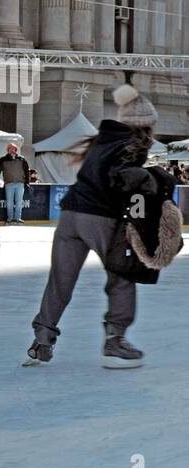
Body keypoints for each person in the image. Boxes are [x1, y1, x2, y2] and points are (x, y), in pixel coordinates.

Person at [25, 83, 178, 368]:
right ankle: (115, 340)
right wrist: (154, 177)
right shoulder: (132, 144)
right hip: (100, 217)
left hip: (71, 214)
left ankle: (42, 340)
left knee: (61, 279)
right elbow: (122, 177)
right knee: (121, 275)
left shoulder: (103, 139)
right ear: (145, 123)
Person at [0, 143, 30, 224]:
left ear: (16, 150)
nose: (12, 150)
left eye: (13, 148)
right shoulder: (3, 159)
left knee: (19, 201)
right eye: (10, 148)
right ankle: (10, 218)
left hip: (20, 183)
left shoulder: (22, 159)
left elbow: (27, 171)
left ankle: (18, 218)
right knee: (9, 202)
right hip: (9, 183)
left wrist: (27, 182)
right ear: (8, 150)